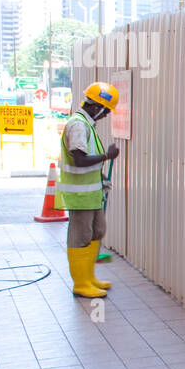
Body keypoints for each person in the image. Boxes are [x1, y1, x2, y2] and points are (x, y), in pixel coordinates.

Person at [55, 82, 121, 298]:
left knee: (97, 231)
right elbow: (78, 160)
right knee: (80, 236)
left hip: (91, 193)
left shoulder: (87, 124)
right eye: (106, 111)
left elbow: (86, 162)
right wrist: (107, 156)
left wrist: (100, 176)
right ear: (97, 107)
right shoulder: (78, 125)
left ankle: (89, 277)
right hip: (80, 195)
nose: (106, 116)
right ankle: (81, 284)